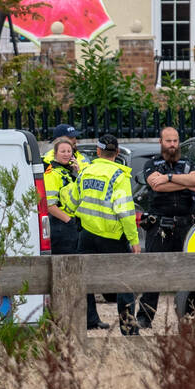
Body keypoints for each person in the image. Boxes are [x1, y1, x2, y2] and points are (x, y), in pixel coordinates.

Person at [72, 134, 143, 335]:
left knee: (80, 282)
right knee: (124, 284)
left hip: (87, 235)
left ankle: (76, 329)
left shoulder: (86, 173)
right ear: (117, 153)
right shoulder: (119, 176)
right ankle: (129, 330)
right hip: (113, 238)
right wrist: (134, 240)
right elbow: (126, 212)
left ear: (97, 151)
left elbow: (72, 200)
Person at [139, 126, 195, 328]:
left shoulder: (187, 162)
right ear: (161, 142)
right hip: (160, 225)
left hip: (185, 223)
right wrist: (183, 182)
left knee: (189, 272)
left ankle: (191, 316)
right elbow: (156, 186)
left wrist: (169, 178)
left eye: (175, 141)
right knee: (154, 272)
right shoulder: (151, 164)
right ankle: (145, 317)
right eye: (168, 141)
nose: (173, 145)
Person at [44, 136, 108, 330]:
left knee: (81, 273)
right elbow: (50, 205)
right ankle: (63, 319)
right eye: (62, 151)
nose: (66, 154)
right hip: (62, 227)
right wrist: (69, 221)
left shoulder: (73, 171)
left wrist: (79, 172)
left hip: (77, 225)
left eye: (69, 151)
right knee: (65, 275)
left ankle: (91, 319)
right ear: (55, 154)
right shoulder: (52, 173)